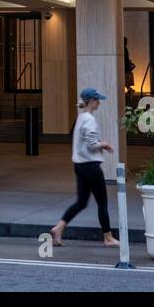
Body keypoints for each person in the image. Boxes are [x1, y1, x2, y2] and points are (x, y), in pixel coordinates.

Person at [49, 88, 118, 248]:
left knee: (81, 202)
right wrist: (106, 144)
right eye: (97, 100)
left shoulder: (80, 118)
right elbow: (92, 145)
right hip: (91, 167)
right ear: (92, 101)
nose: (99, 103)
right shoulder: (89, 120)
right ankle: (108, 237)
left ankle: (59, 228)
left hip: (79, 166)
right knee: (102, 202)